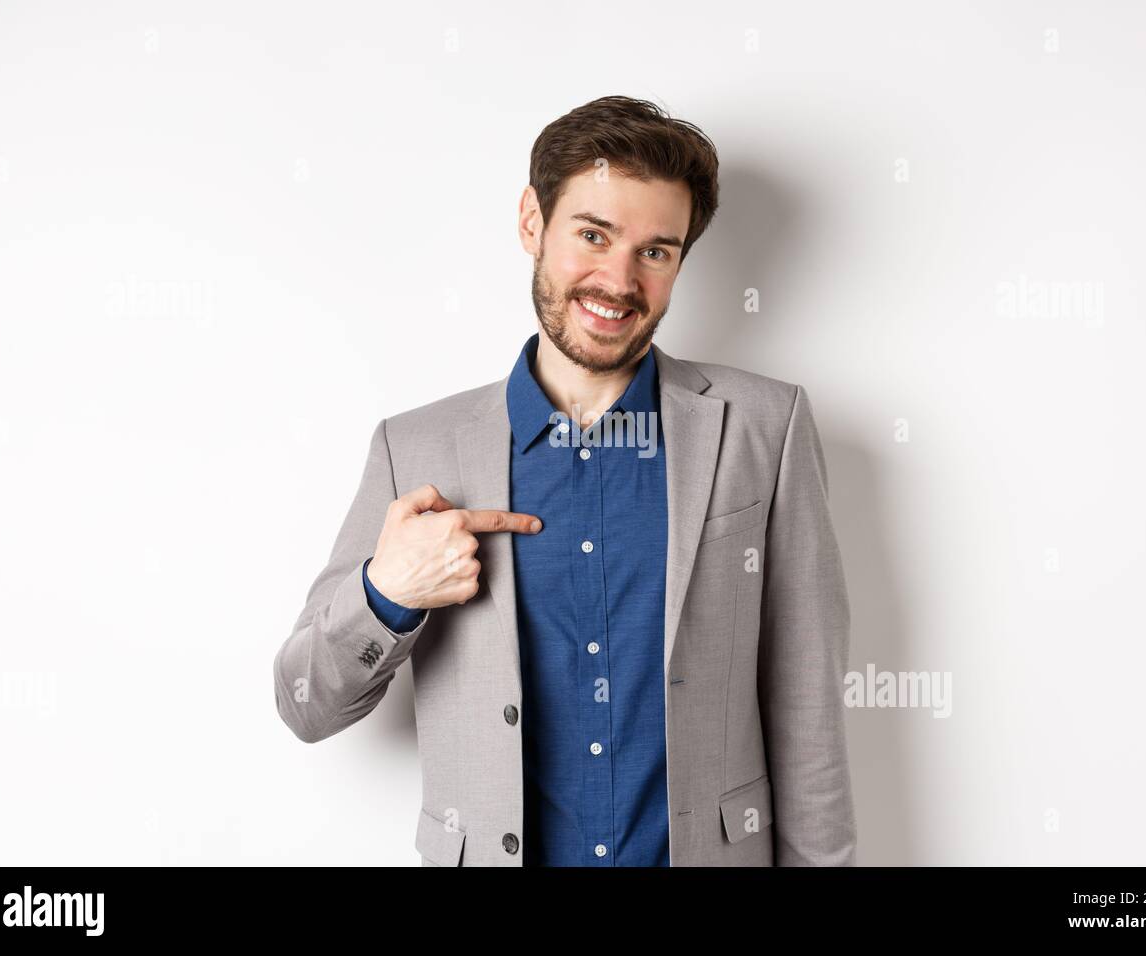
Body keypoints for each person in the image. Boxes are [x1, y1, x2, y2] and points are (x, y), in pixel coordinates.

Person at [273, 95, 855, 867]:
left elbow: (809, 708)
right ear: (531, 224)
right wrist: (389, 591)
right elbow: (303, 704)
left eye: (656, 251)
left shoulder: (763, 427)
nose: (617, 282)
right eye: (593, 235)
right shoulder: (412, 450)